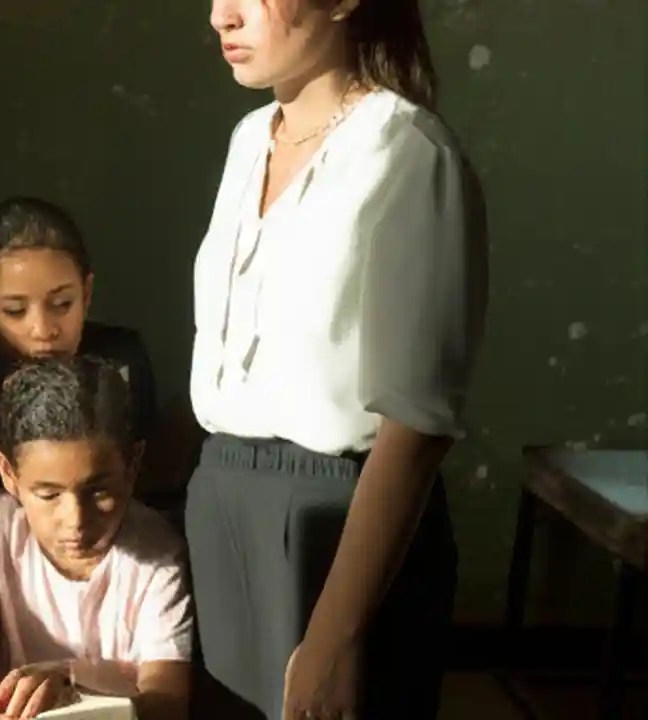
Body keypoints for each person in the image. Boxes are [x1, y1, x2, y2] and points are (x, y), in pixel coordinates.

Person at [186, 1, 489, 718]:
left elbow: (415, 430)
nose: (221, 16)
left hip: (341, 528)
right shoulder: (248, 139)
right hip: (225, 505)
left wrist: (330, 639)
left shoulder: (408, 152)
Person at [0, 358, 193, 720]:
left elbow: (168, 702)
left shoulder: (156, 555)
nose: (75, 521)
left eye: (98, 492)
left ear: (133, 466)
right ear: (7, 473)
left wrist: (72, 682)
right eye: (49, 495)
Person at [0, 197, 157, 467]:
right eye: (15, 311)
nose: (43, 330)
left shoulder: (122, 365)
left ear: (86, 295)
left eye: (62, 304)